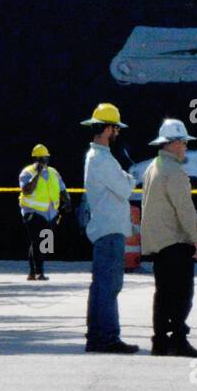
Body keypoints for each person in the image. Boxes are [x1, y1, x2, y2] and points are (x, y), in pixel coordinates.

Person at [140, 118, 197, 358]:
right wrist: (195, 239)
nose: (186, 147)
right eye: (184, 143)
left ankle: (159, 342)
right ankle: (178, 339)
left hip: (156, 243)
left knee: (162, 293)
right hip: (175, 243)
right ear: (175, 144)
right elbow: (185, 209)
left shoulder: (152, 167)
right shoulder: (175, 172)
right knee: (182, 294)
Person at [81, 103, 138, 354]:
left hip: (105, 229)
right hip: (109, 231)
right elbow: (126, 189)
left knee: (101, 285)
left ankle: (97, 336)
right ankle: (107, 338)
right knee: (109, 286)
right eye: (116, 127)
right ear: (107, 129)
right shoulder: (103, 159)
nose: (118, 132)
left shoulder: (98, 157)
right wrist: (129, 177)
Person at [19, 144, 70, 281]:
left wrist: (67, 201)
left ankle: (33, 272)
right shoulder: (27, 173)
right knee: (36, 241)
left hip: (50, 213)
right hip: (33, 212)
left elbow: (62, 189)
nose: (43, 162)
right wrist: (37, 174)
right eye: (40, 159)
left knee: (43, 243)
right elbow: (27, 190)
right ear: (34, 159)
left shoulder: (54, 172)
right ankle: (38, 272)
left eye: (45, 159)